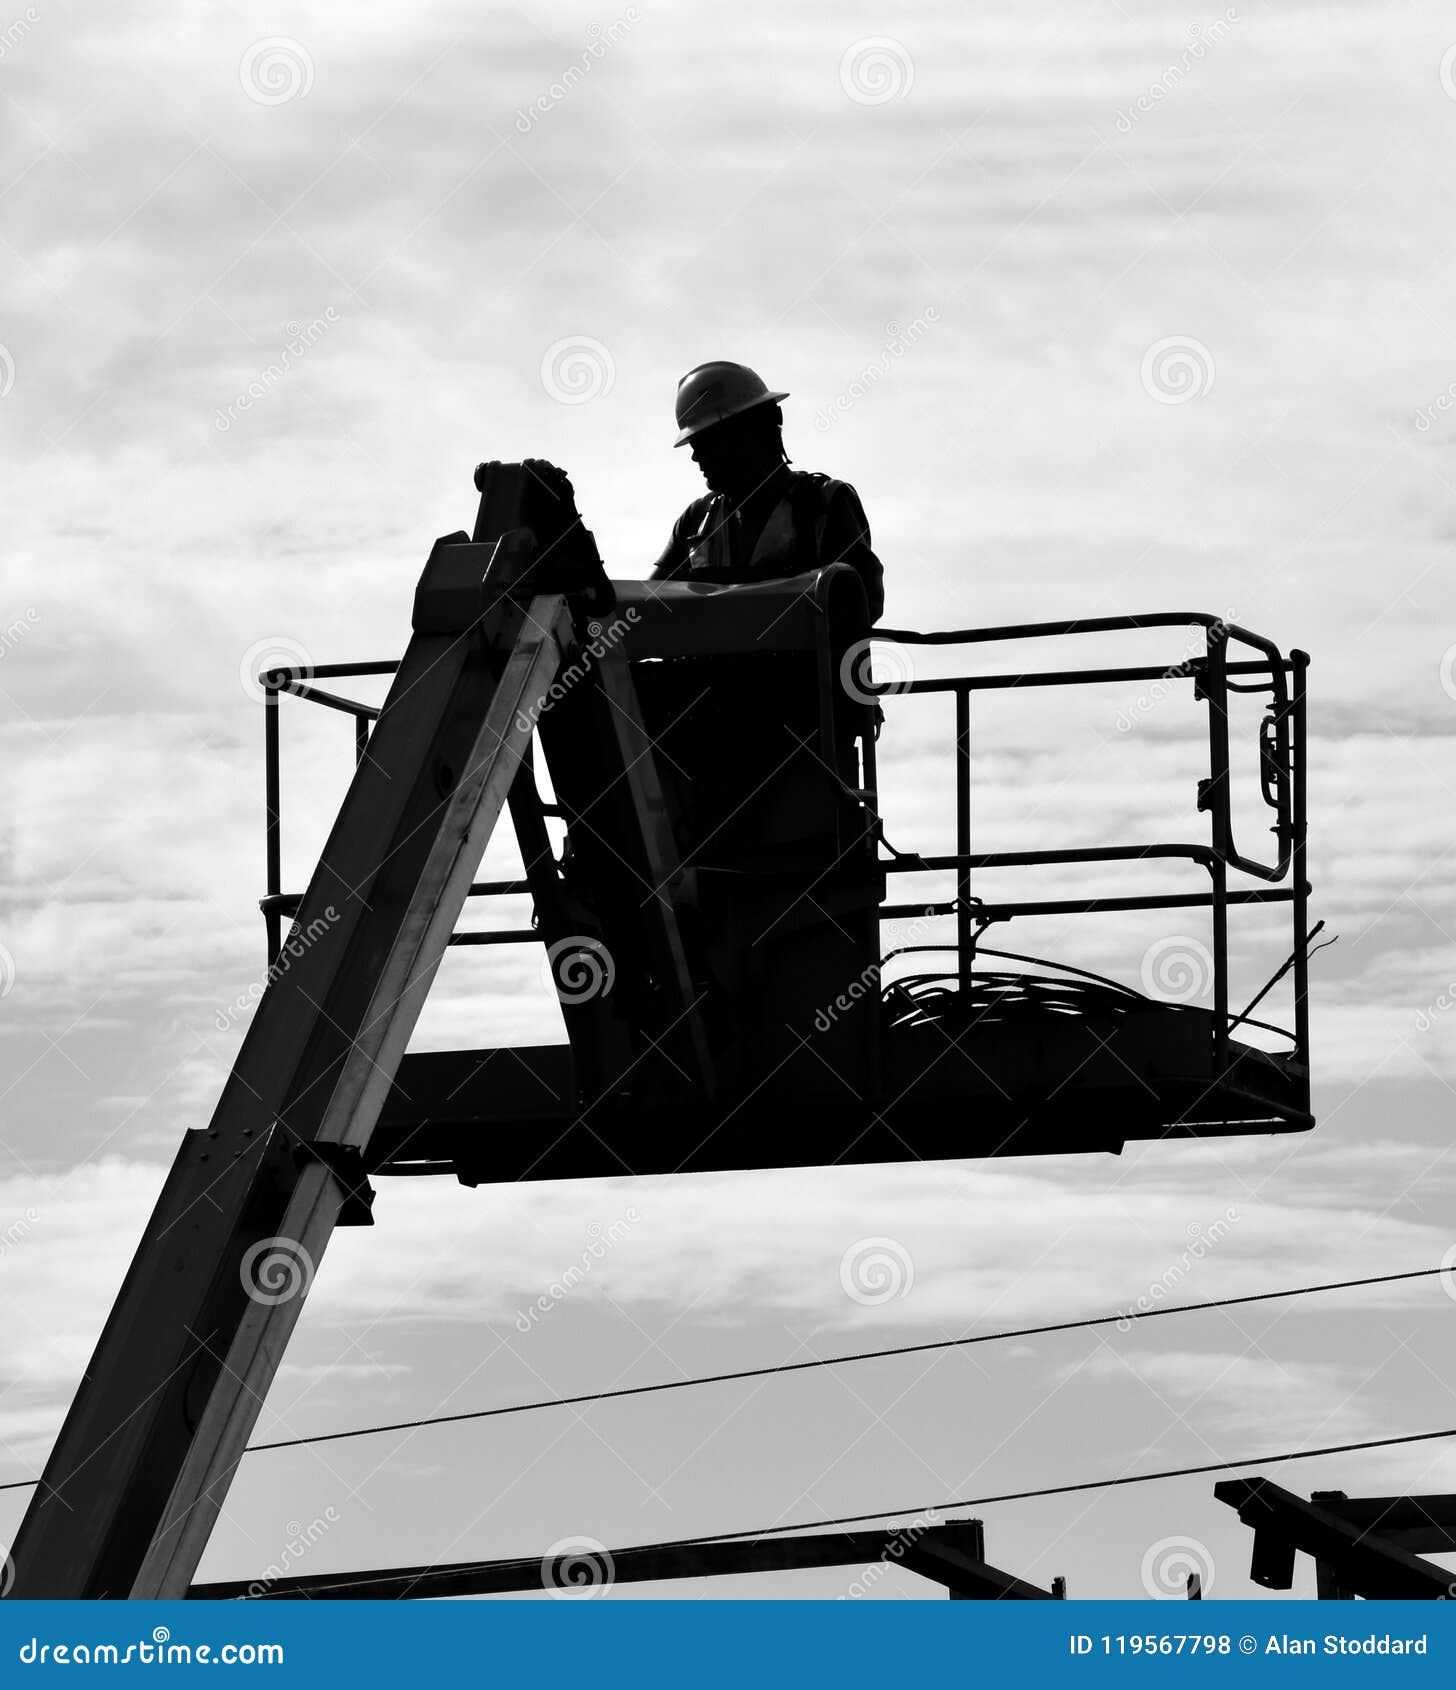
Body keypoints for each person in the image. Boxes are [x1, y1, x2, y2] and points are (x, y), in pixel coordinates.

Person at [650, 361, 884, 622]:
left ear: (748, 432)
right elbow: (645, 612)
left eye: (704, 442)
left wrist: (741, 590)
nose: (694, 456)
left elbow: (865, 603)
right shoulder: (696, 522)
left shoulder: (825, 504)